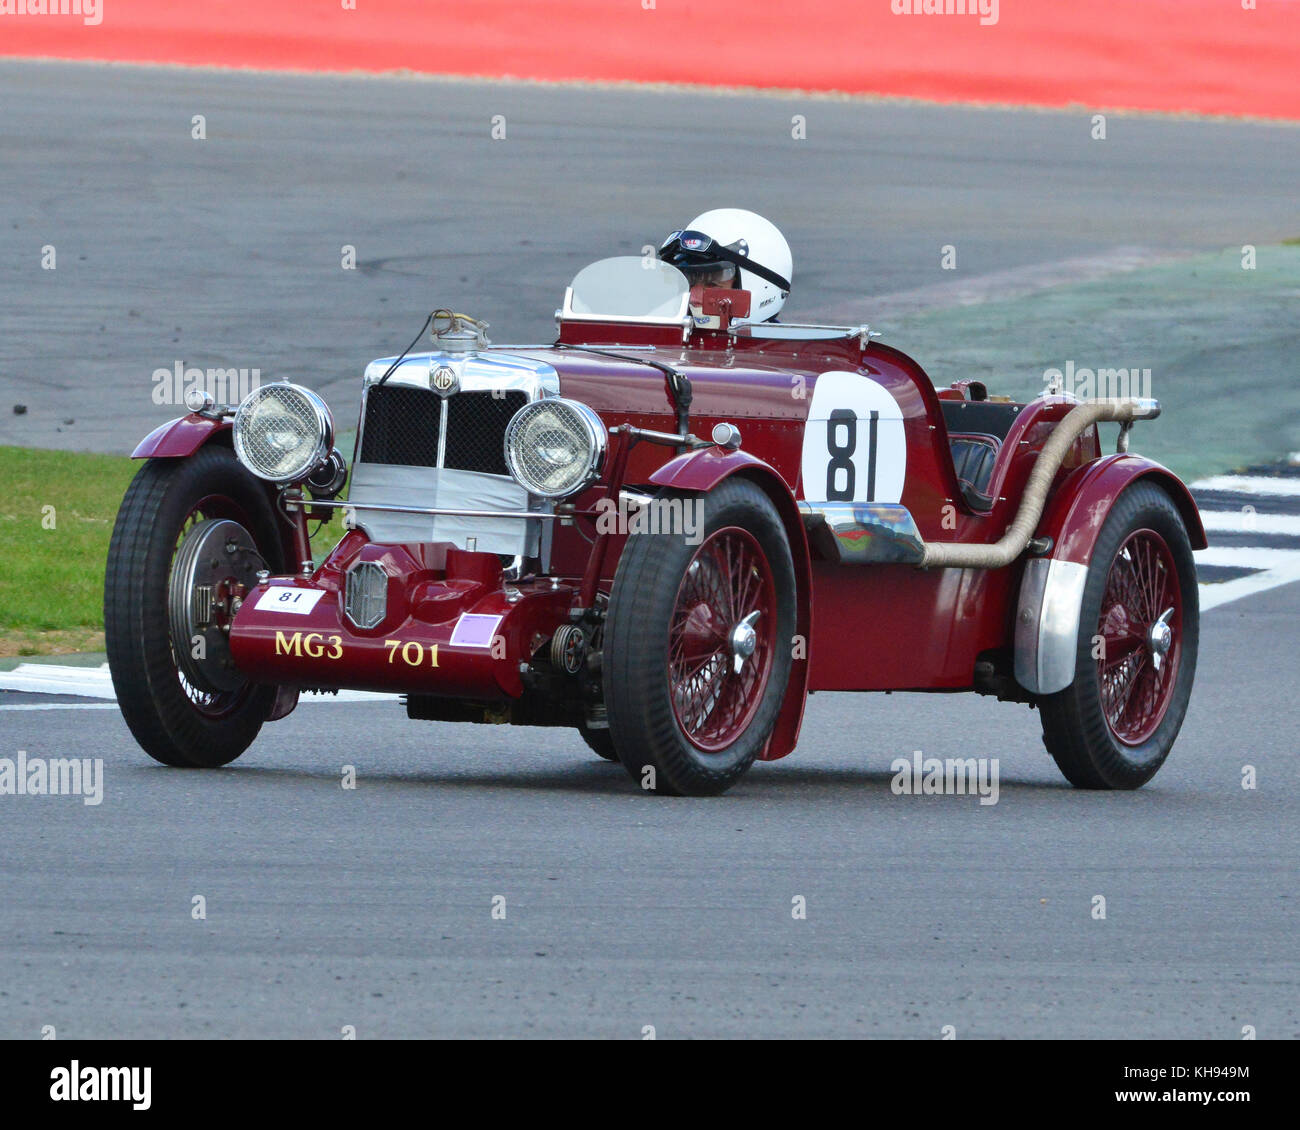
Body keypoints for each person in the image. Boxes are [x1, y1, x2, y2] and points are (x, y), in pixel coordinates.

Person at [657, 208, 793, 324]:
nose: (693, 298)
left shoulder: (787, 352)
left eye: (713, 284)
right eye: (688, 281)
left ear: (762, 286)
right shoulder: (660, 341)